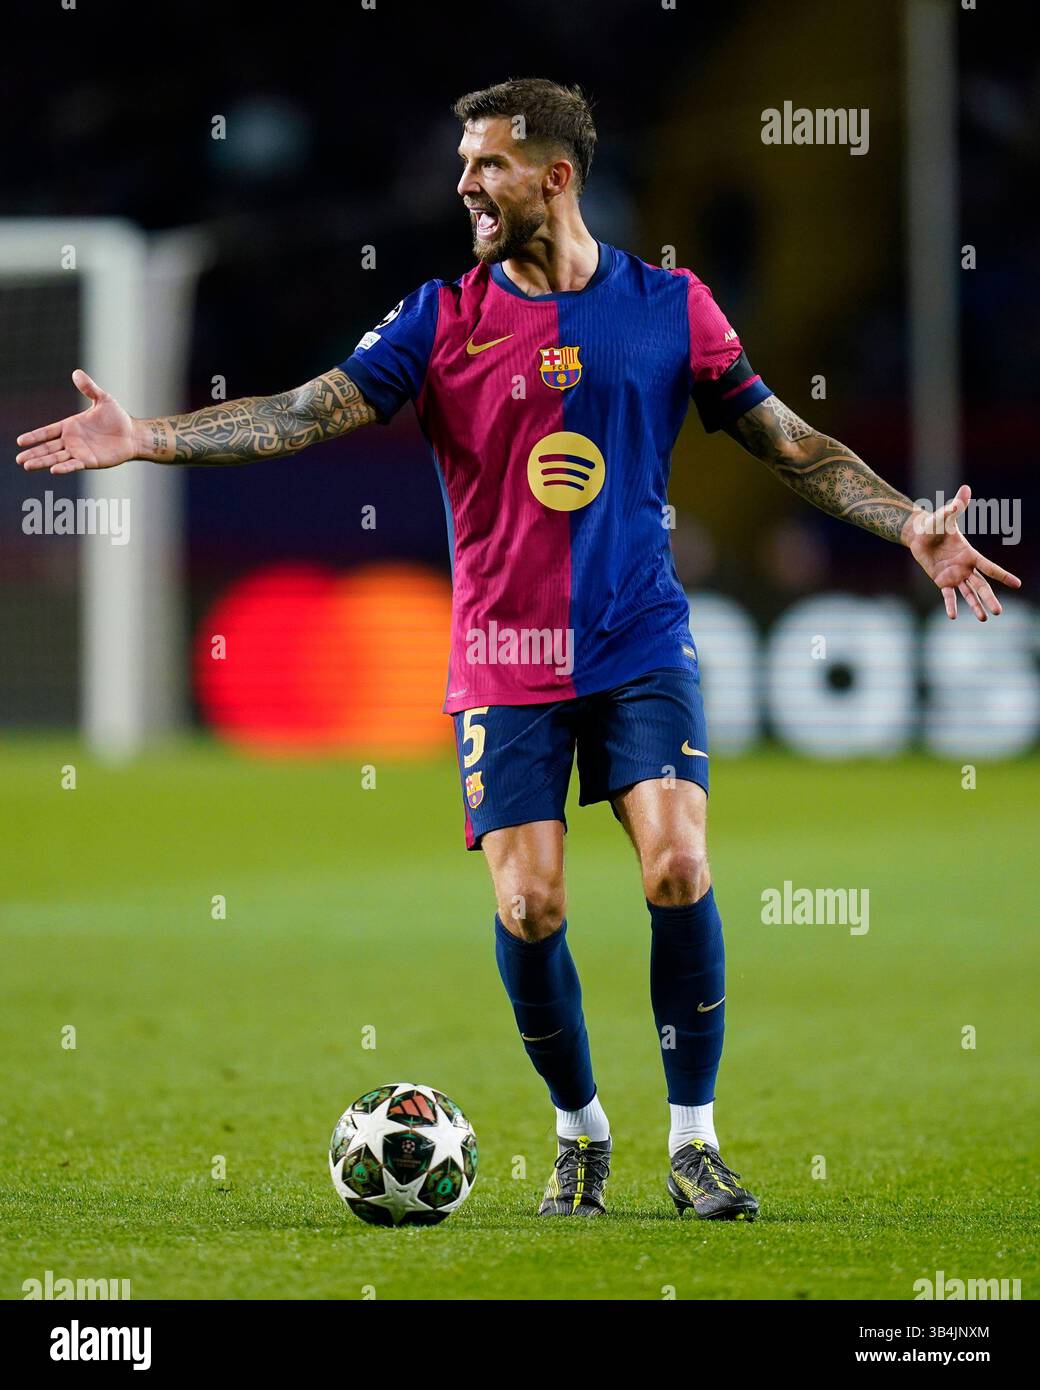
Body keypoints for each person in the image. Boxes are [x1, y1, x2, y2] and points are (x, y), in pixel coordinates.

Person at [16, 78, 1020, 1223]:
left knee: (676, 866)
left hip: (637, 637)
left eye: (485, 164)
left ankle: (692, 1141)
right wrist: (143, 435)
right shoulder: (438, 320)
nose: (462, 185)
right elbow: (303, 411)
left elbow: (790, 444)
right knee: (530, 907)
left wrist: (908, 525)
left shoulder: (670, 305)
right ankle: (579, 1131)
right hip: (502, 655)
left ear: (554, 174)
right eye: (461, 163)